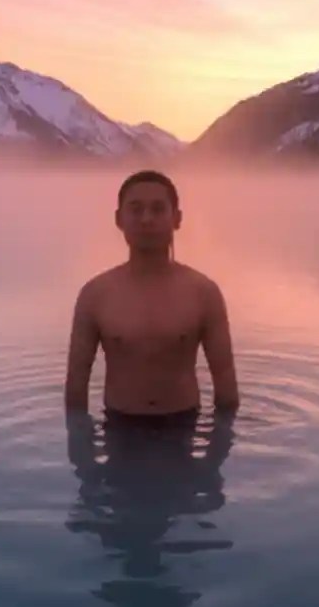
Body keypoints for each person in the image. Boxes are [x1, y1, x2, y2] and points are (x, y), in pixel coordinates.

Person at [64, 170, 239, 420]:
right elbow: (76, 387)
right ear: (119, 219)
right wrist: (81, 451)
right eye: (135, 209)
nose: (146, 219)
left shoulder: (203, 293)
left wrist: (219, 449)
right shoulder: (95, 295)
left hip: (184, 427)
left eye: (158, 209)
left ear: (177, 218)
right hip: (118, 430)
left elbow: (226, 385)